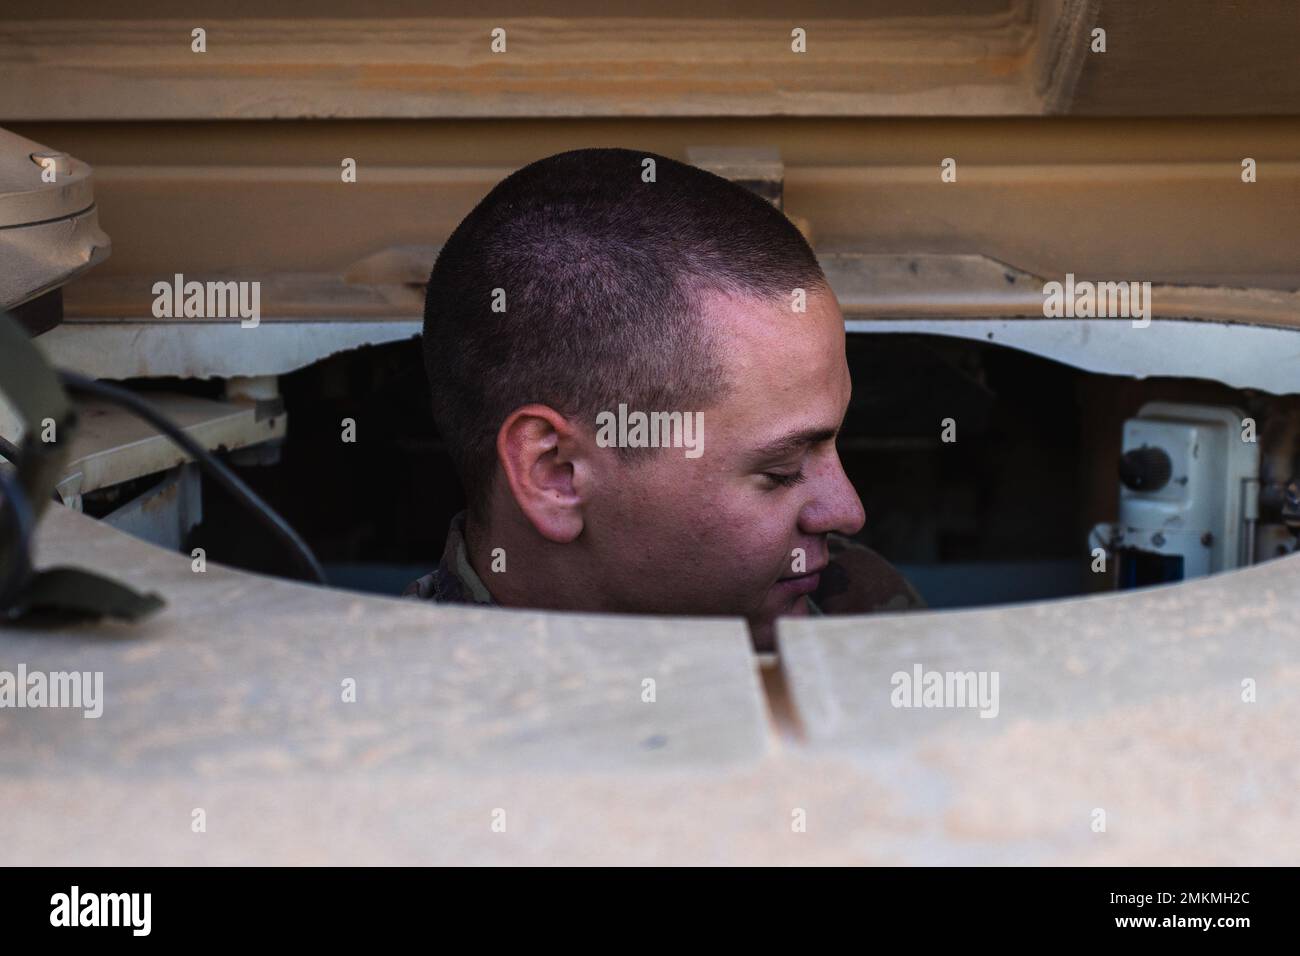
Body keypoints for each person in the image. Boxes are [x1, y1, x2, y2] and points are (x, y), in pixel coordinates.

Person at [406, 148, 923, 650]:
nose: (848, 512)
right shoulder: (396, 703)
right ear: (556, 474)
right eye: (781, 470)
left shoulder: (859, 603)